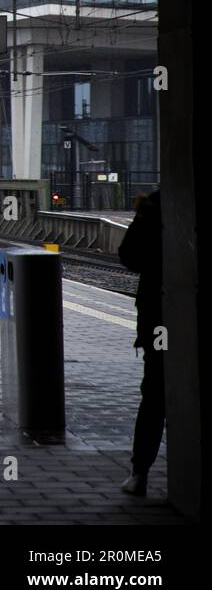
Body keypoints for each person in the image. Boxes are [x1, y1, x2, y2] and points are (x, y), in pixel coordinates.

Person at [117, 189, 163, 496]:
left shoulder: (155, 206)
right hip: (162, 318)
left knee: (155, 395)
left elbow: (128, 255)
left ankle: (140, 472)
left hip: (158, 319)